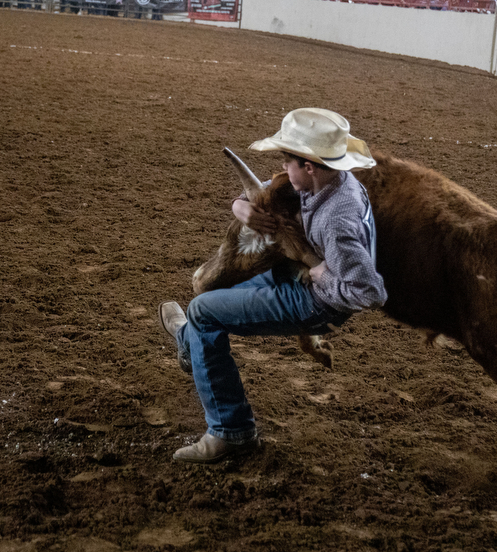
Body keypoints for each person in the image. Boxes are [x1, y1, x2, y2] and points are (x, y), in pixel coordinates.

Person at [158, 108, 387, 464]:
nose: (281, 168)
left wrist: (321, 274)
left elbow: (369, 292)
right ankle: (190, 342)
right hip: (297, 277)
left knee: (203, 311)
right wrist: (241, 208)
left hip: (317, 302)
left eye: (286, 160)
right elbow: (264, 192)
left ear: (308, 165)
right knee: (209, 303)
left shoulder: (337, 221)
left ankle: (231, 432)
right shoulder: (327, 182)